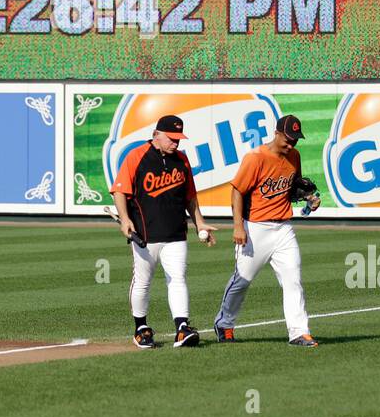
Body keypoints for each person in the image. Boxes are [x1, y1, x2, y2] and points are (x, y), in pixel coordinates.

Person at [213, 114, 321, 347]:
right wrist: (238, 226)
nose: (291, 144)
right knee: (242, 281)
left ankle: (299, 332)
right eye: (288, 139)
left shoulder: (294, 156)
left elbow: (293, 189)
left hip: (283, 228)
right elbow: (237, 192)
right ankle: (224, 323)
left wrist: (309, 197)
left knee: (293, 279)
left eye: (295, 139)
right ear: (277, 133)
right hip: (255, 228)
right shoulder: (256, 158)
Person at [111, 114, 218, 349]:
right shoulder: (136, 156)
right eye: (171, 138)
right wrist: (125, 219)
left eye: (179, 138)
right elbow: (120, 190)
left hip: (176, 233)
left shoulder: (182, 159)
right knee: (142, 282)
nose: (176, 143)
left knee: (178, 278)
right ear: (156, 135)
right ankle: (141, 328)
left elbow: (189, 194)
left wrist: (199, 222)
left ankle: (182, 327)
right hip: (145, 233)